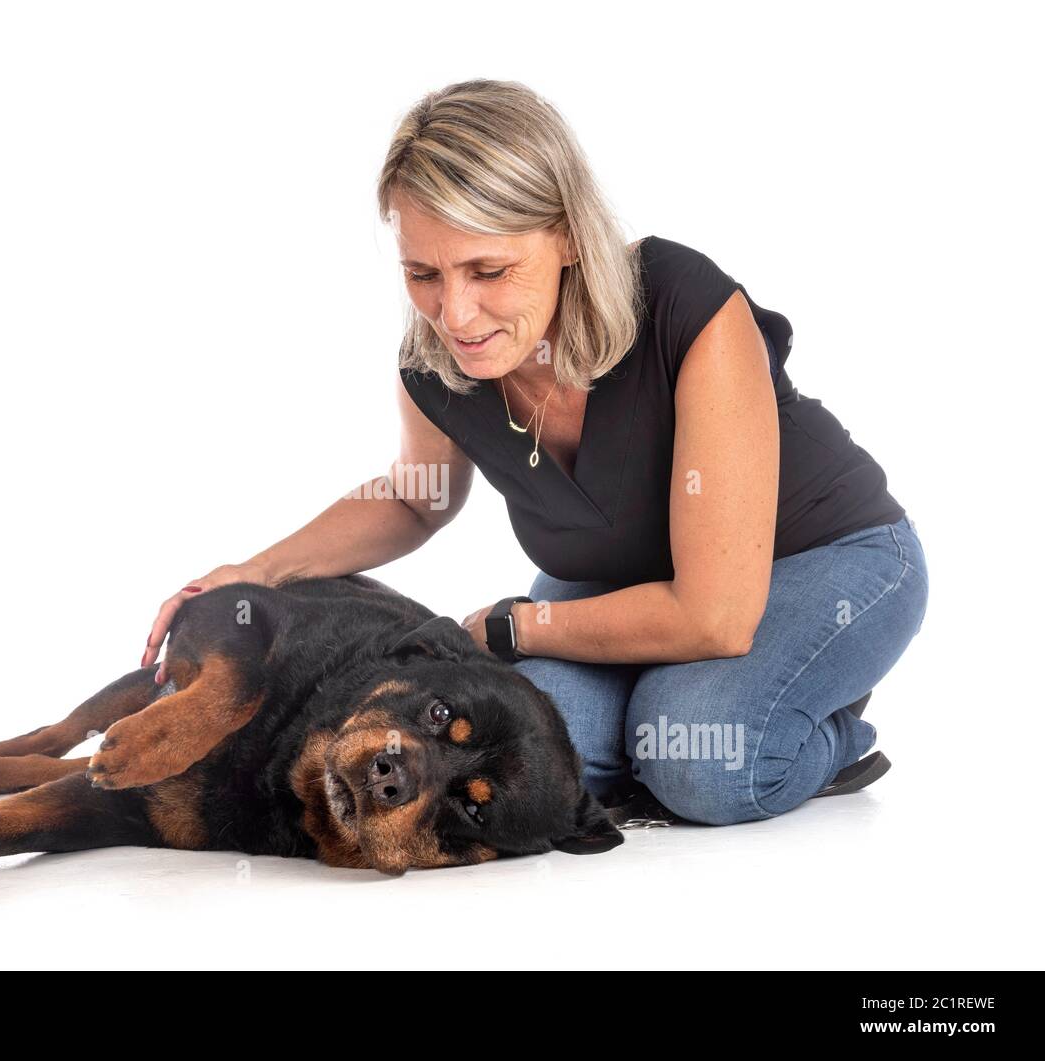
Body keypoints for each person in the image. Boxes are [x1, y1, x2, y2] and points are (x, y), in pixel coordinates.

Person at [141, 78, 929, 826]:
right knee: (536, 751)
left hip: (824, 561)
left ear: (569, 236)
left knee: (699, 759)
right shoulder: (438, 361)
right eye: (423, 272)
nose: (455, 313)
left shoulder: (686, 309)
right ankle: (659, 714)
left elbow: (715, 615)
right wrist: (258, 570)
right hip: (625, 584)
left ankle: (817, 727)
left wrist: (518, 628)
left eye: (488, 270)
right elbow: (415, 498)